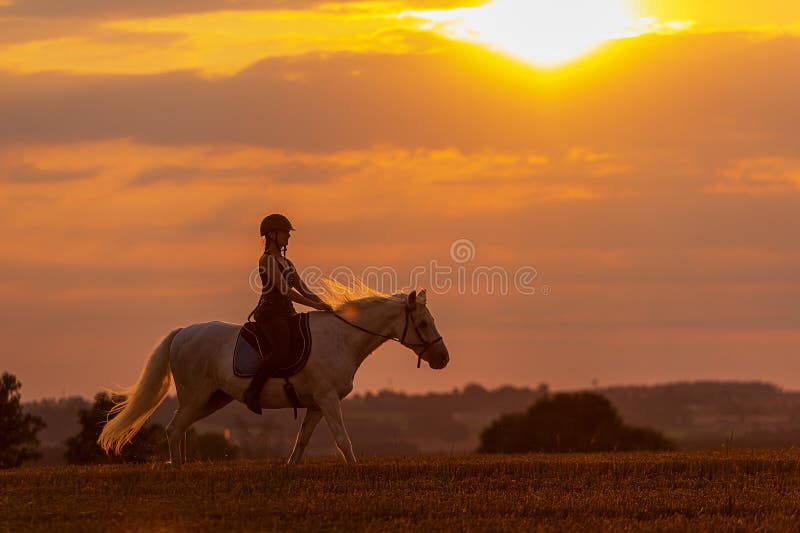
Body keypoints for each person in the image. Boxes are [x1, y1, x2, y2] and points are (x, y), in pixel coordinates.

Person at [243, 213, 333, 414]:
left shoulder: (288, 263)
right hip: (271, 314)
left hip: (288, 313)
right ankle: (252, 392)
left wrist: (326, 304)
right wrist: (314, 306)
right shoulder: (266, 260)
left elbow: (303, 288)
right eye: (285, 232)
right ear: (272, 234)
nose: (289, 236)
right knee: (281, 351)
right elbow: (285, 290)